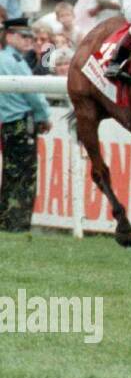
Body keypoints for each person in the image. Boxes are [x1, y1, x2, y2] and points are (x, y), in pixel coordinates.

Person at [0, 17, 52, 233]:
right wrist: (44, 116)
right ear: (10, 35)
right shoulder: (16, 60)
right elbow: (34, 95)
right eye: (24, 36)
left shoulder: (5, 58)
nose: (29, 41)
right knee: (24, 177)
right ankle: (18, 224)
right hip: (21, 122)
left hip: (6, 123)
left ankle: (5, 221)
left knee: (10, 175)